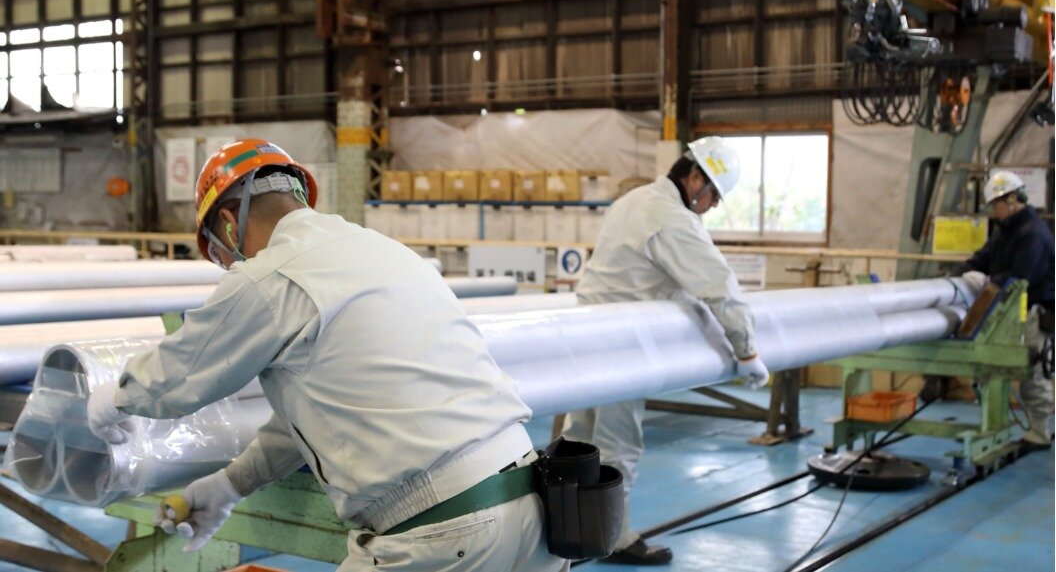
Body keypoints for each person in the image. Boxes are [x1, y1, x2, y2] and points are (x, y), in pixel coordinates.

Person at [88, 139, 568, 571]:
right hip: (535, 512)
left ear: (229, 224)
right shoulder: (383, 251)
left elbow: (177, 378)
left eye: (219, 255)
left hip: (441, 532)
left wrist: (111, 399)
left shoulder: (270, 276)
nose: (227, 267)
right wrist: (229, 486)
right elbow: (315, 421)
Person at [561, 136, 769, 566]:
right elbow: (718, 285)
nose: (712, 206)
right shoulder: (671, 218)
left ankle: (561, 530)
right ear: (695, 179)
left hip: (585, 336)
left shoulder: (633, 201)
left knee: (578, 438)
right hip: (621, 346)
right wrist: (747, 351)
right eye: (714, 195)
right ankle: (613, 538)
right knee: (619, 444)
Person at [959, 170, 1054, 450]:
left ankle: (1040, 433)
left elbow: (1021, 277)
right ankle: (1001, 425)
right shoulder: (1006, 230)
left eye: (995, 205)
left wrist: (987, 282)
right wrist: (957, 275)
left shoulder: (1032, 234)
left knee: (1032, 373)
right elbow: (984, 257)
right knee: (996, 366)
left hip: (1035, 312)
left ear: (1012, 200)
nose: (993, 211)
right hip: (1011, 311)